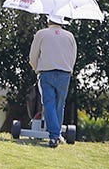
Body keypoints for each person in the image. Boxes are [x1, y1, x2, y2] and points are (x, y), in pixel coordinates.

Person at [28, 13, 78, 148]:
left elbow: (33, 55)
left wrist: (36, 68)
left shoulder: (41, 34)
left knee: (49, 103)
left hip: (47, 72)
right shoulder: (69, 36)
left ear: (49, 20)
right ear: (62, 23)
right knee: (59, 105)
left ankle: (54, 136)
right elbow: (73, 57)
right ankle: (57, 134)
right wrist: (69, 69)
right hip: (64, 73)